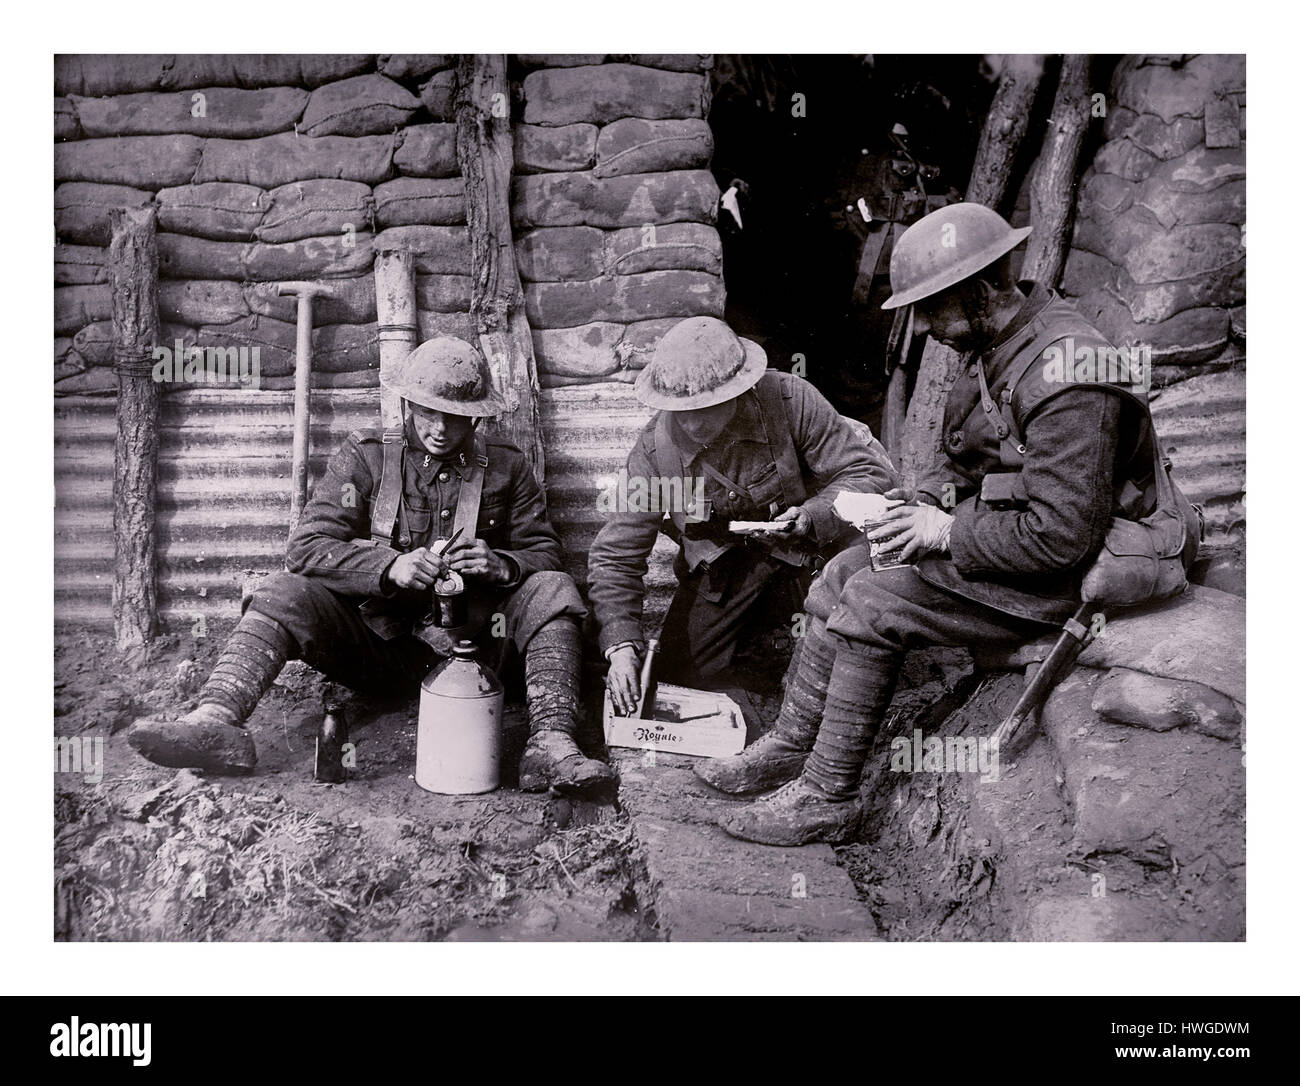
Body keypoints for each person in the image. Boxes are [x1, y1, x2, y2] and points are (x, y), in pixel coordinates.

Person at [707, 202, 1191, 845]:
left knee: (875, 599)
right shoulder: (1002, 341)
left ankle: (827, 797)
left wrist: (941, 533)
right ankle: (793, 745)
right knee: (846, 568)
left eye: (933, 308)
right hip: (1023, 537)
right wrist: (923, 503)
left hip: (1085, 566)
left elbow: (1062, 537)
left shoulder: (1071, 374)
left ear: (983, 290)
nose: (925, 327)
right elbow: (986, 462)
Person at [128, 337, 615, 796]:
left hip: (481, 655)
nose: (439, 429)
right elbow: (307, 548)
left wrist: (500, 564)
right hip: (382, 651)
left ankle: (550, 746)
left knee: (553, 588)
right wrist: (388, 568)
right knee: (281, 590)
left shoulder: (508, 467)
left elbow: (546, 555)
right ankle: (217, 721)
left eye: (454, 417)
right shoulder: (366, 459)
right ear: (407, 404)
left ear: (476, 420)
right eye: (427, 411)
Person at [587, 315, 898, 714]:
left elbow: (865, 473)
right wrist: (620, 646)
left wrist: (813, 515)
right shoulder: (653, 453)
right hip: (726, 573)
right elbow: (616, 556)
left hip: (812, 555)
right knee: (680, 679)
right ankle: (766, 665)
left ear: (739, 390)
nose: (694, 422)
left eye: (707, 408)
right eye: (682, 411)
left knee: (848, 659)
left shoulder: (789, 400)